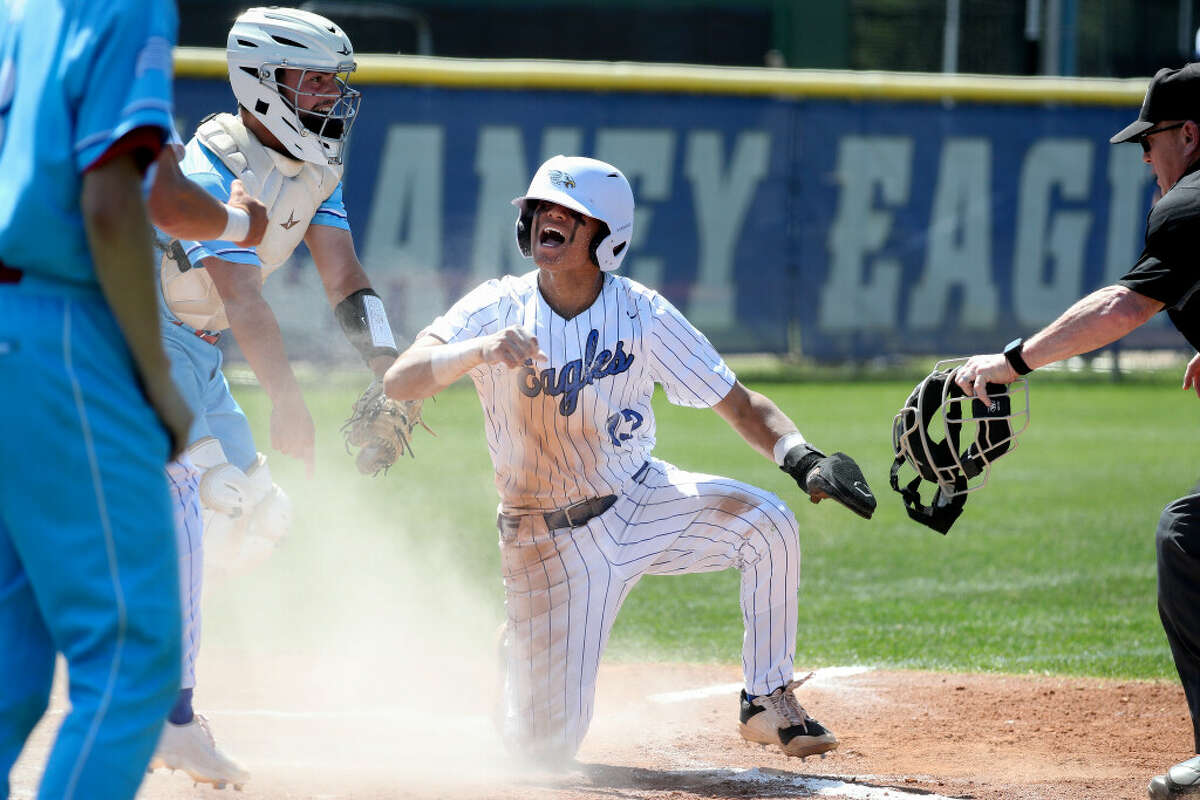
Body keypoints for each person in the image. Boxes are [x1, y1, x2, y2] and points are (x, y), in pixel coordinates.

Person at [383, 155, 876, 764]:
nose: (550, 219)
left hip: (641, 498)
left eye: (570, 213)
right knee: (542, 752)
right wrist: (478, 350)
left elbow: (740, 403)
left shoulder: (641, 313)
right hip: (549, 542)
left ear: (605, 237)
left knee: (768, 524)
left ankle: (766, 698)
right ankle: (521, 653)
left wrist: (801, 457)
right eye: (542, 208)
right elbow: (400, 380)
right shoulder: (495, 308)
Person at [145, 7, 403, 788]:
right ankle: (171, 708)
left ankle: (149, 620)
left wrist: (388, 368)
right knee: (208, 491)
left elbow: (344, 275)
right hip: (131, 332)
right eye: (313, 78)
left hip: (194, 348)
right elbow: (243, 294)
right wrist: (288, 401)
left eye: (333, 80)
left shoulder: (315, 169)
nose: (329, 94)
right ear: (264, 86)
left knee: (262, 519)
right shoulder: (212, 163)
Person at [952, 63, 1200, 800]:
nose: (1145, 159)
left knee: (1187, 539)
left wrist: (1014, 361)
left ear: (1189, 134)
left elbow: (1125, 305)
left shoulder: (1187, 206)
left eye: (1149, 142)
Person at [0, 0, 193, 797]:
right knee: (131, 652)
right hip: (58, 331)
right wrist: (156, 379)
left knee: (9, 656)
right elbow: (112, 203)